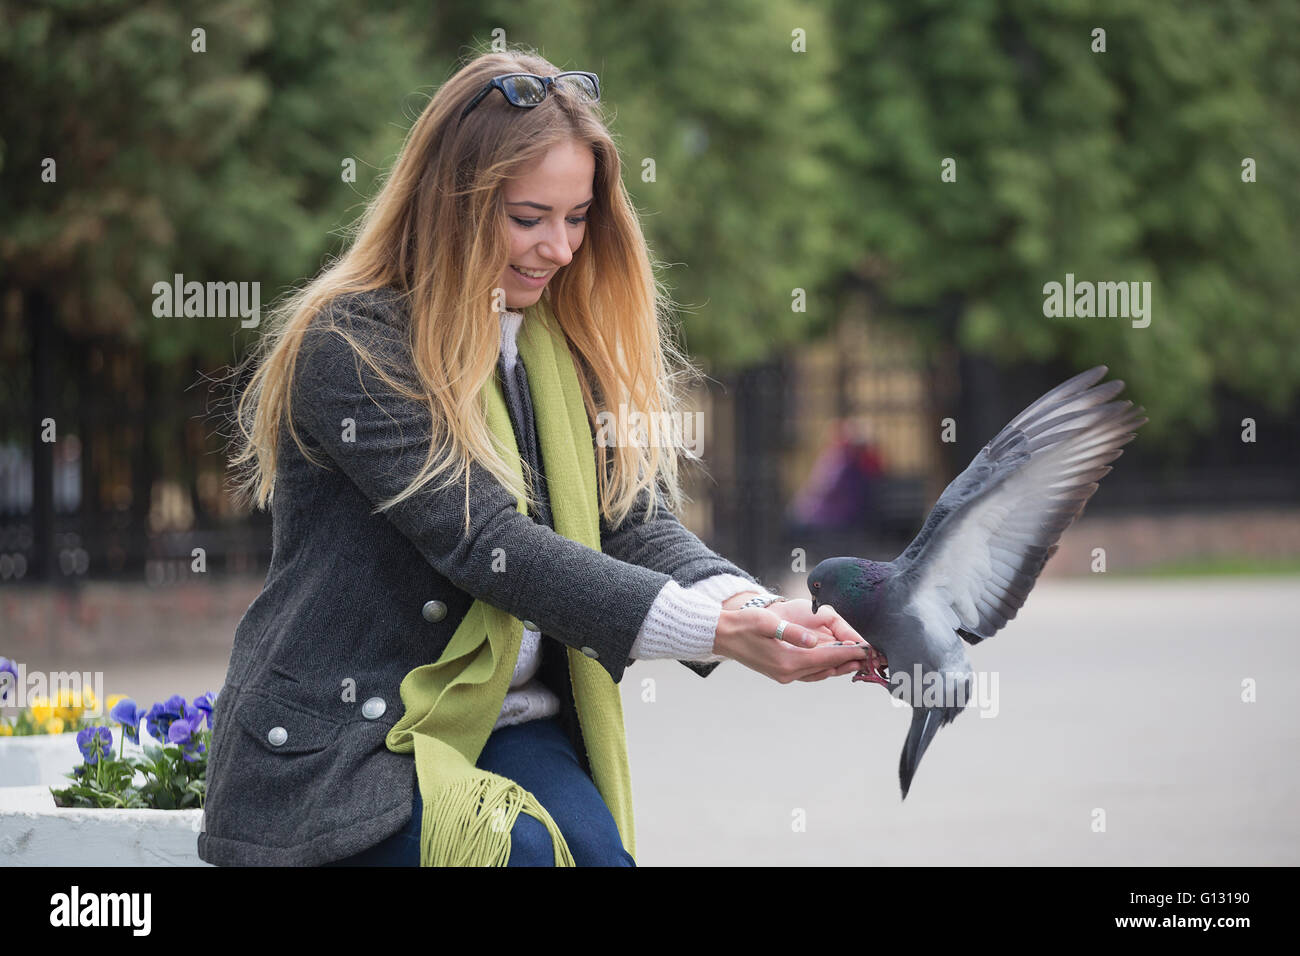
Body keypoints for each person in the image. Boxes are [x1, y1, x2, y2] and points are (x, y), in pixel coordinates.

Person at [199, 46, 872, 868]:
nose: (559, 247)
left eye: (579, 217)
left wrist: (759, 610)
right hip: (353, 744)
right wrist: (715, 632)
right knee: (520, 858)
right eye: (528, 217)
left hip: (511, 722)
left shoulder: (564, 345)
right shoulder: (355, 344)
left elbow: (632, 523)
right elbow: (488, 545)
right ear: (449, 202)